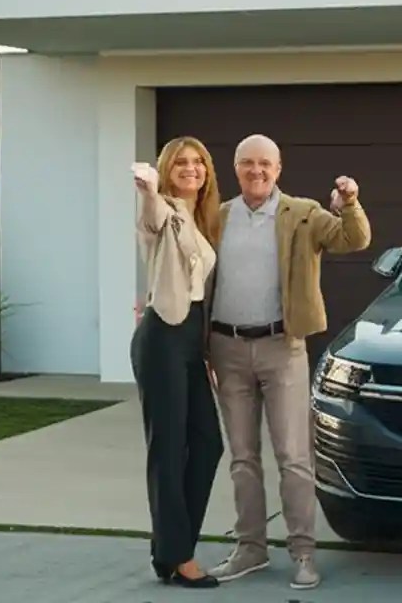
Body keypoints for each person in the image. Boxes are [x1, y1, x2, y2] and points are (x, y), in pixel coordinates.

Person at [204, 134, 371, 590]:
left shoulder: (302, 213)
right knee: (242, 458)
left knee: (294, 458)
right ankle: (251, 549)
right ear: (235, 169)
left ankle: (303, 553)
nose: (256, 171)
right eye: (246, 164)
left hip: (283, 347)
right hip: (227, 348)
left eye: (264, 164)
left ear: (278, 169)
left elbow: (353, 238)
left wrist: (350, 203)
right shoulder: (217, 216)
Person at [129, 136, 225, 589]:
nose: (191, 169)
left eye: (198, 162)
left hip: (188, 341)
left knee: (207, 444)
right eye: (181, 163)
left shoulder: (202, 218)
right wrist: (148, 189)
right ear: (167, 171)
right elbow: (151, 223)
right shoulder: (164, 210)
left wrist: (204, 351)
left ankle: (169, 548)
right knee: (168, 450)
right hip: (162, 338)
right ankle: (178, 556)